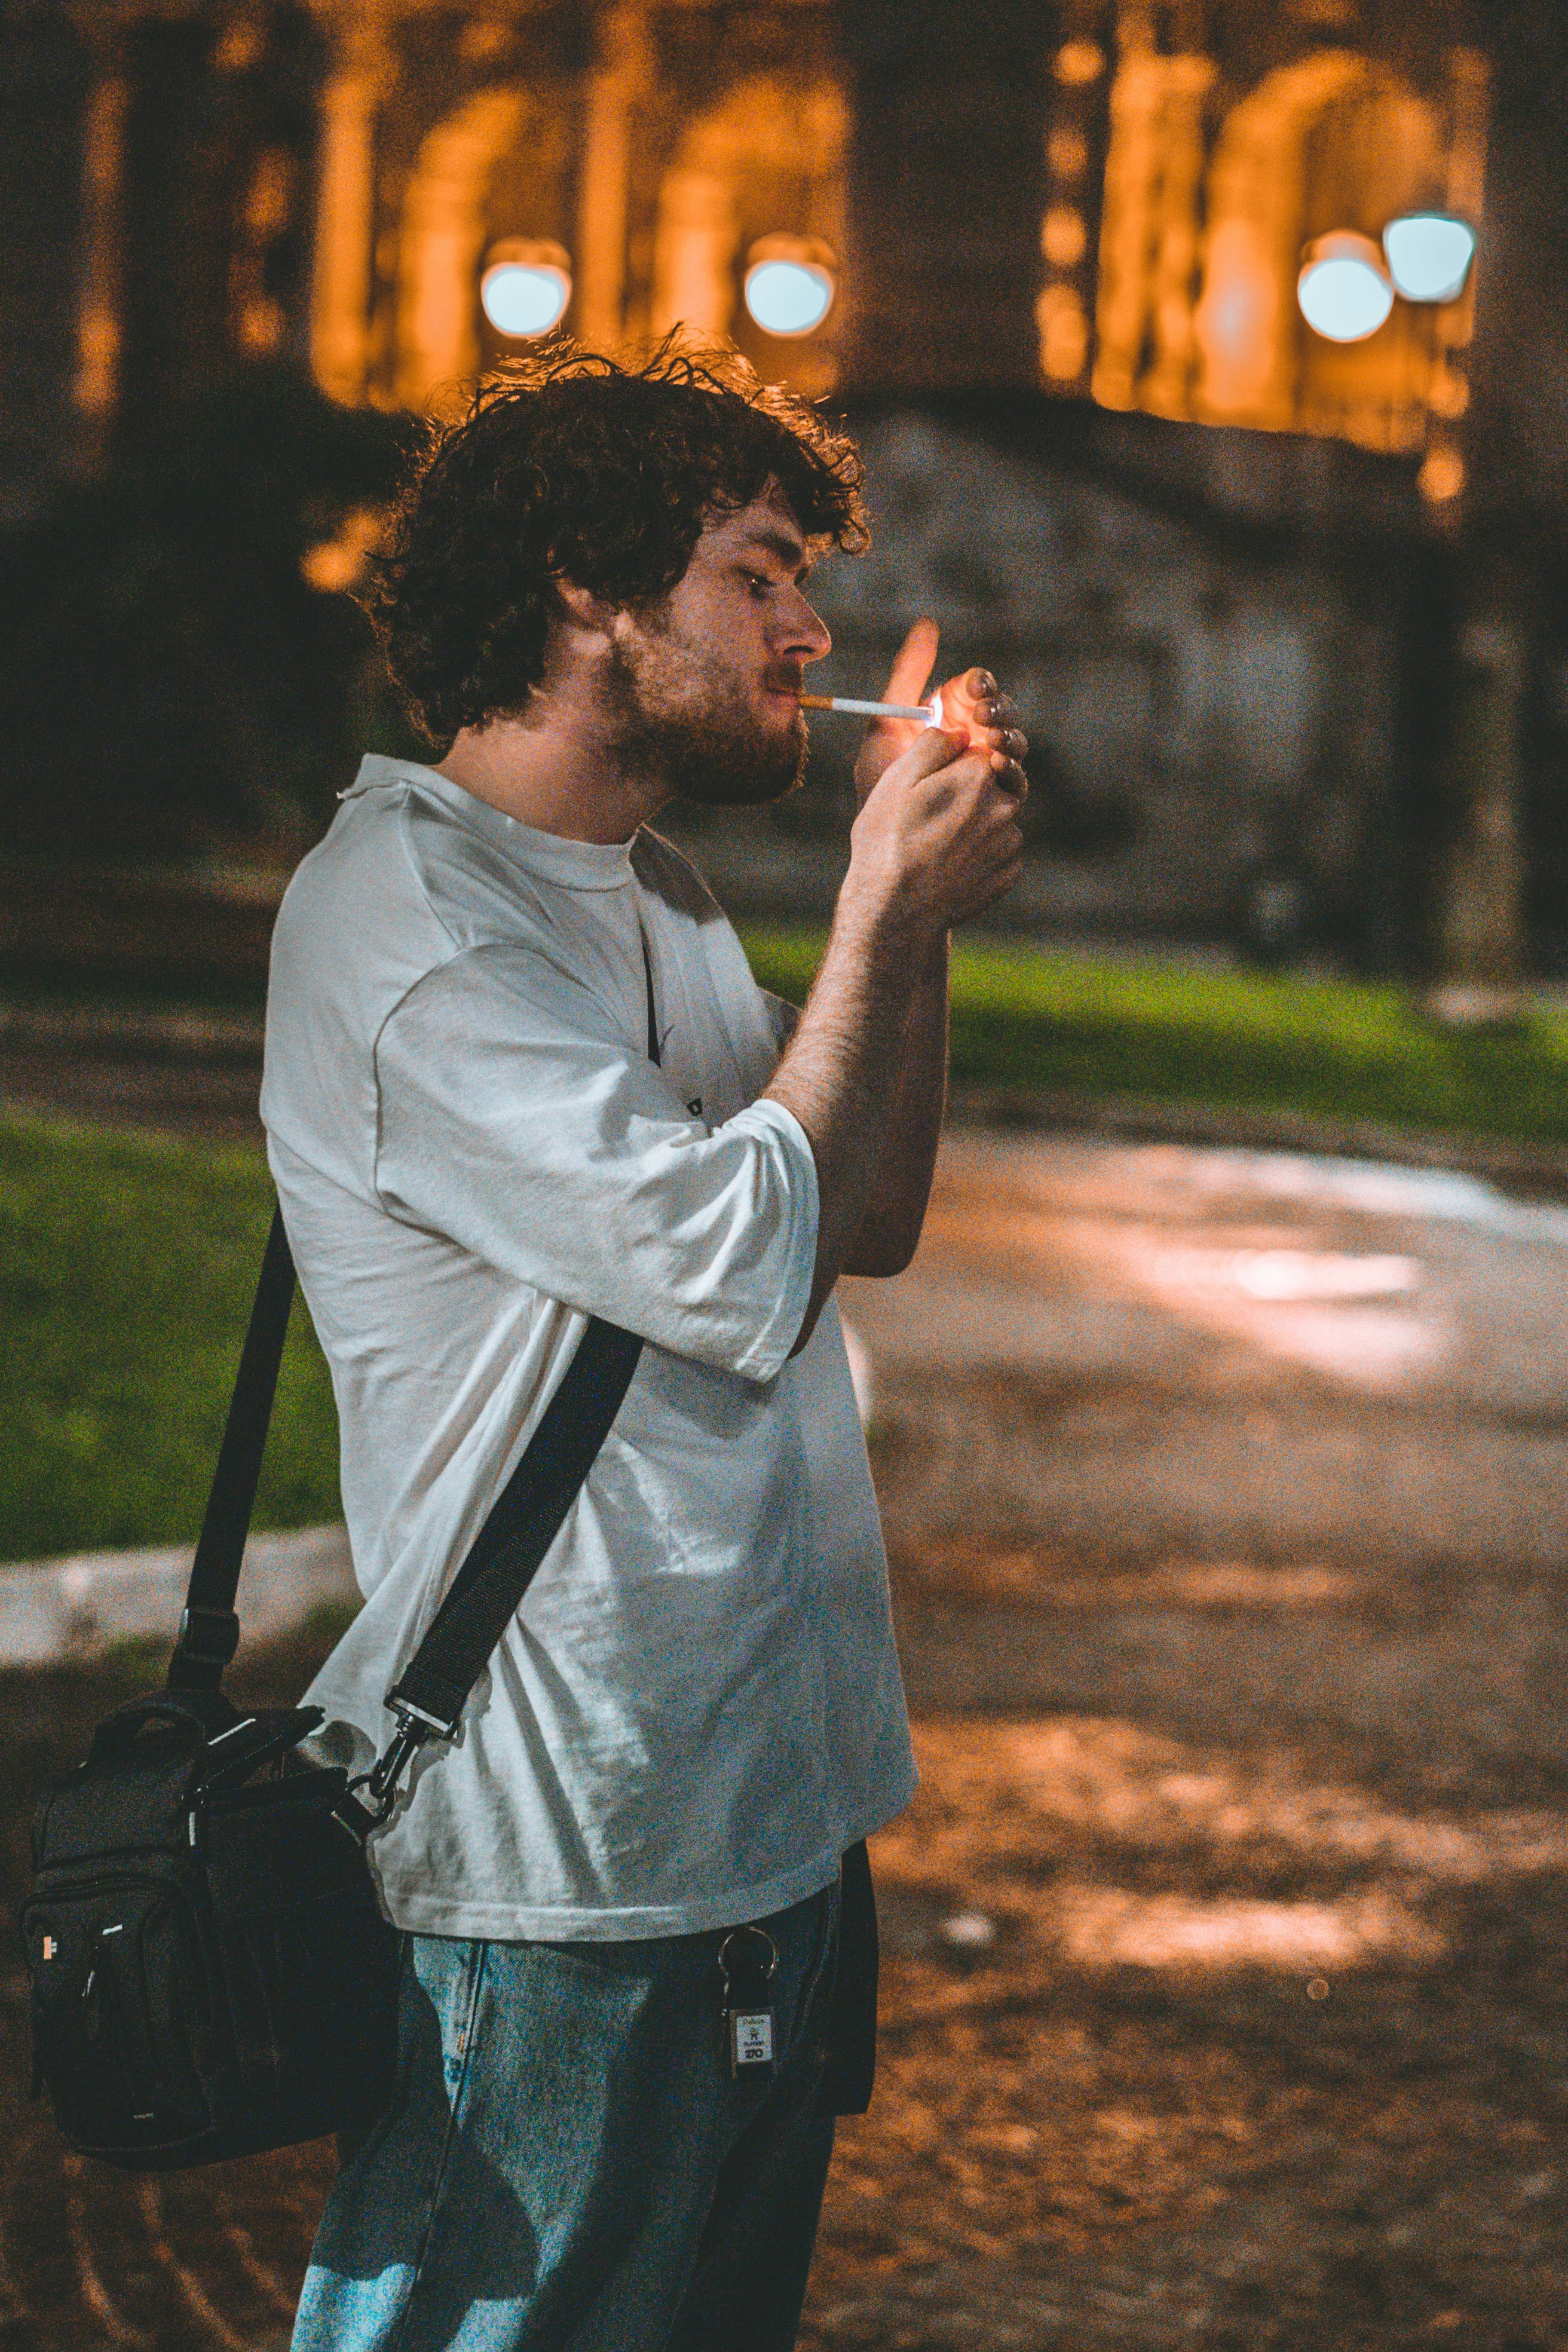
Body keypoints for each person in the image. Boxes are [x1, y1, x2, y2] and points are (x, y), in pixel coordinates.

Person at [262, 338, 1027, 2352]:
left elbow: (861, 1217)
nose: (809, 630)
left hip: (761, 1808)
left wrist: (915, 918)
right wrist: (871, 914)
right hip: (567, 1855)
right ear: (588, 590)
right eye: (757, 574)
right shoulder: (412, 923)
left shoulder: (655, 895)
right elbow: (740, 1258)